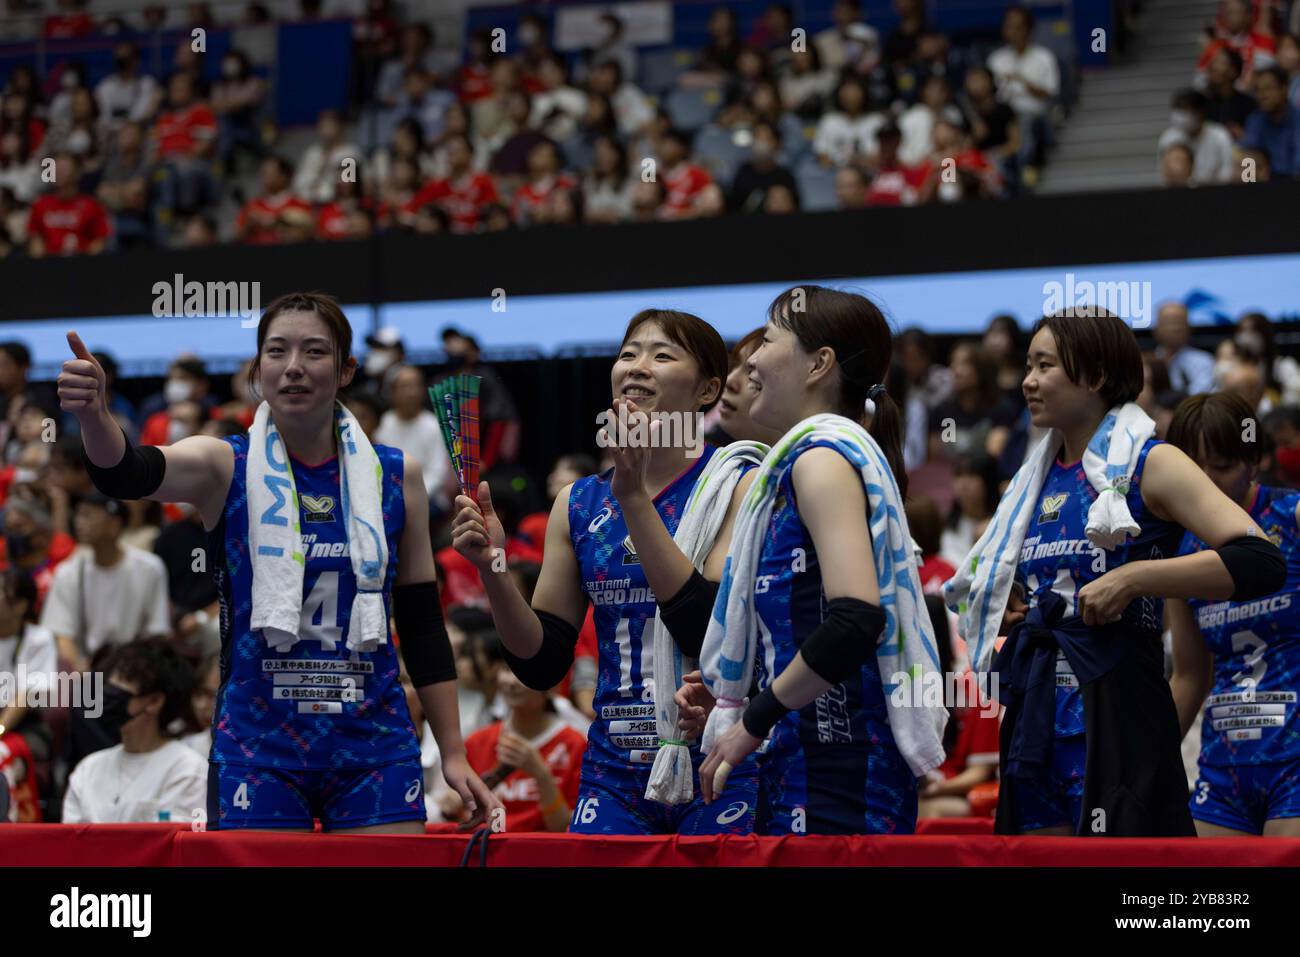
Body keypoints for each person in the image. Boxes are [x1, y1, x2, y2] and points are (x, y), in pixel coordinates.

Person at [59, 292, 498, 832]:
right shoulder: (223, 465)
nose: (293, 367)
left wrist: (452, 754)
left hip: (373, 745)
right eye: (277, 351)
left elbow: (422, 622)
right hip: (258, 746)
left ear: (346, 370)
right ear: (257, 368)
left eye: (314, 352)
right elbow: (125, 472)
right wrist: (96, 417)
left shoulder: (395, 474)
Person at [950, 309, 1285, 835]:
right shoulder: (1029, 480)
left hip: (1118, 718)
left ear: (1096, 375)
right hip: (1036, 720)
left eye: (1045, 365)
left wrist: (1135, 580)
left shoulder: (1153, 463)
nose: (1028, 381)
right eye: (1028, 365)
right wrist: (1020, 600)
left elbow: (1260, 559)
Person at [450, 308, 759, 836]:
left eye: (662, 355)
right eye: (627, 354)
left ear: (708, 391)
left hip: (718, 758)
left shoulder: (740, 485)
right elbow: (542, 664)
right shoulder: (576, 503)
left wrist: (634, 497)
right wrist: (493, 568)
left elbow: (705, 633)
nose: (637, 367)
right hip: (613, 770)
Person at [680, 286, 940, 835]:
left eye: (769, 339)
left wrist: (751, 720)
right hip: (804, 759)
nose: (749, 358)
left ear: (819, 364)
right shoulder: (792, 469)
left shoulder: (820, 460)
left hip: (840, 768)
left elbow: (854, 619)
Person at [1166, 391, 1300, 836]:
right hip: (1223, 771)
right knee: (1211, 906)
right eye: (1192, 470)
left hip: (1295, 763)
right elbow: (1188, 677)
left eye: (1221, 466)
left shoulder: (1292, 517)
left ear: (1255, 460)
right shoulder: (1179, 549)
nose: (1205, 483)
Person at [61, 638, 208, 824]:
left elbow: (175, 845)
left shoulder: (187, 770)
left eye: (122, 683)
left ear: (154, 701)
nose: (108, 694)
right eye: (108, 684)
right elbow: (71, 844)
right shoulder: (87, 770)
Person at [441, 665, 586, 832]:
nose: (511, 681)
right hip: (483, 850)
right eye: (507, 670)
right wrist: (453, 801)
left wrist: (542, 775)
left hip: (543, 853)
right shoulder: (477, 742)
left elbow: (563, 828)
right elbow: (458, 816)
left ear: (552, 684)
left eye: (524, 672)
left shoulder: (575, 745)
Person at [1154, 301, 1216, 395]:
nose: (1175, 328)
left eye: (1179, 322)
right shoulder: (1146, 363)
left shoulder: (1204, 362)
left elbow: (1201, 397)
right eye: (1169, 322)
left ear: (1189, 328)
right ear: (1156, 329)